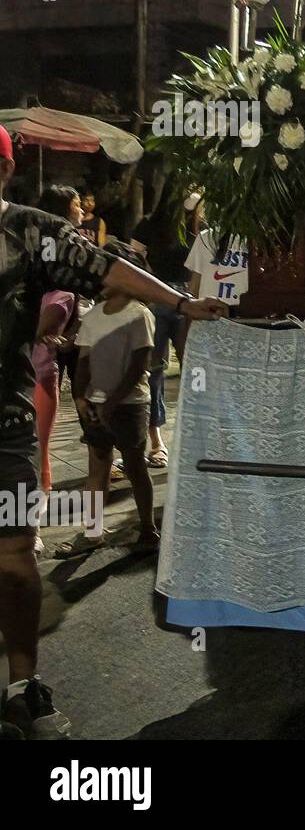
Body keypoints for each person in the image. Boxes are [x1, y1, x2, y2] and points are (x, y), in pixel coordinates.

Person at [0, 128, 228, 740]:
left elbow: (111, 272)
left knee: (16, 555)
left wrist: (182, 303)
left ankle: (23, 688)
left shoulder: (27, 231)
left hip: (6, 421)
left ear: (5, 170)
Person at [56, 241, 158, 559]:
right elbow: (83, 360)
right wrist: (81, 398)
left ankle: (147, 528)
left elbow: (140, 364)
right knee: (97, 469)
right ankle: (93, 531)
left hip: (130, 405)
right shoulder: (95, 315)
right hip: (97, 404)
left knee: (135, 464)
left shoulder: (139, 314)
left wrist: (111, 402)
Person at [31, 187, 82, 517]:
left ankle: (33, 521)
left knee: (38, 447)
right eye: (77, 204)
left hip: (40, 371)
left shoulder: (64, 286)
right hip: (26, 372)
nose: (82, 210)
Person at [131, 199, 194, 468]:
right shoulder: (150, 223)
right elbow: (133, 258)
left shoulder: (197, 224)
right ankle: (156, 440)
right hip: (159, 296)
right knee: (154, 370)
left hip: (191, 298)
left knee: (194, 368)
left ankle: (193, 434)